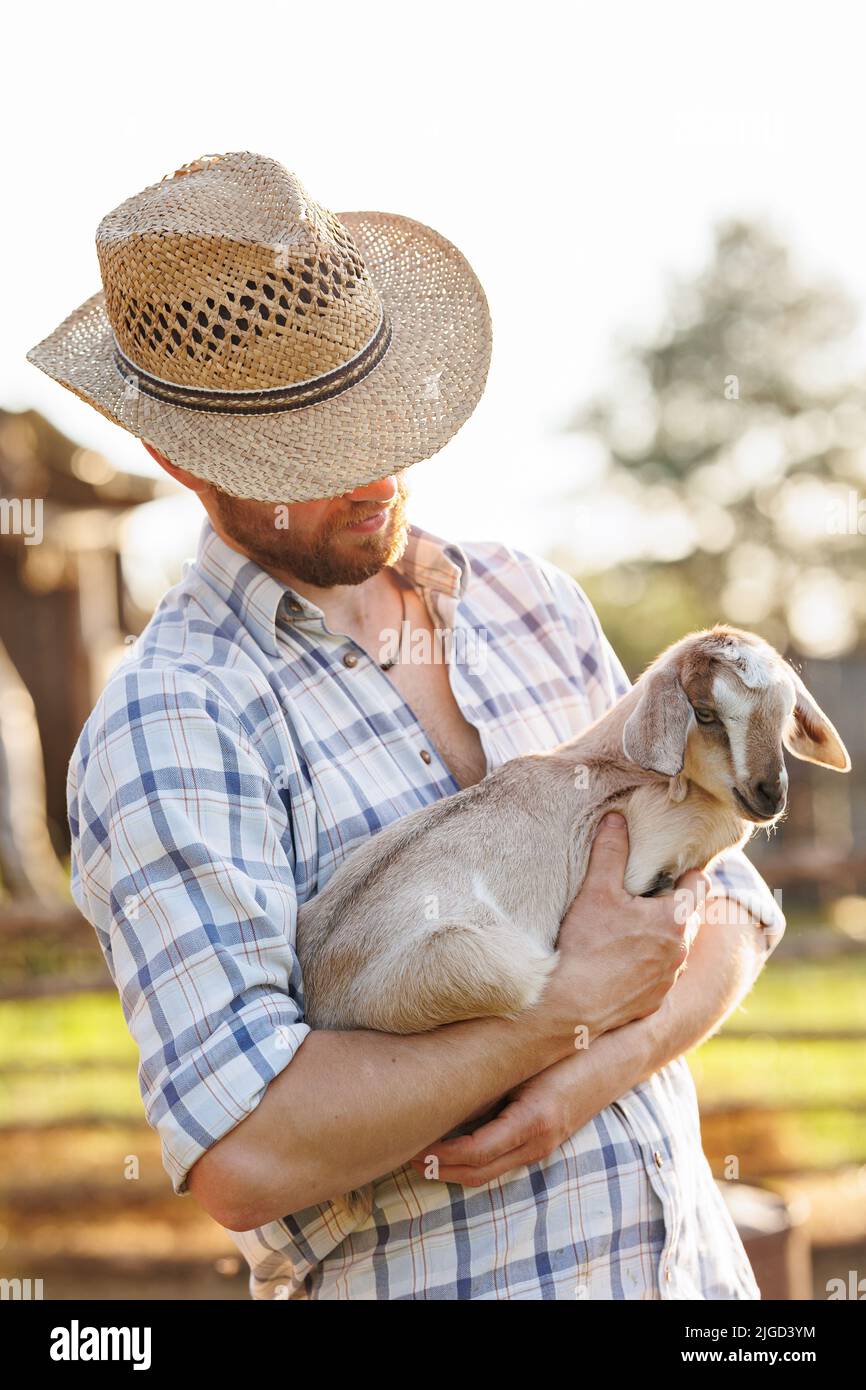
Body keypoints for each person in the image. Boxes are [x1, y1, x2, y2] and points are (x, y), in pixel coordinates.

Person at [28, 152, 785, 1300]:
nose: (374, 472)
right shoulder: (174, 720)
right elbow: (247, 1149)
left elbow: (730, 904)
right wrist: (560, 1015)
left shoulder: (529, 600)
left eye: (374, 417)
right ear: (177, 455)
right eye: (312, 452)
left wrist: (592, 1063)